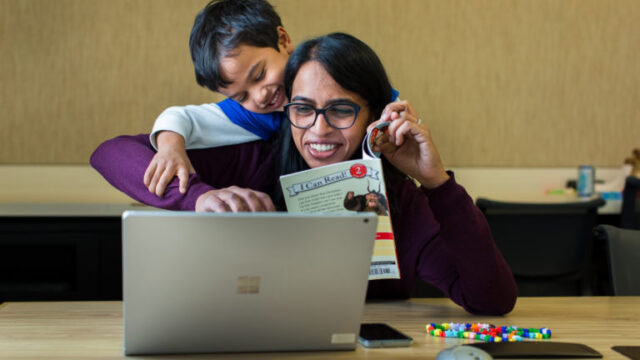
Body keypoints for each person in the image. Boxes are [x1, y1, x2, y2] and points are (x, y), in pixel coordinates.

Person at [92, 32, 517, 315]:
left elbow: (492, 299)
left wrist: (437, 183)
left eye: (341, 109)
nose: (318, 130)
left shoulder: (402, 201)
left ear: (375, 115)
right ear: (287, 107)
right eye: (303, 109)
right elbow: (111, 153)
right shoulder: (256, 159)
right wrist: (197, 195)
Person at [144, 0, 399, 197]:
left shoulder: (333, 73)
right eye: (241, 96)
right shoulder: (251, 113)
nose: (260, 96)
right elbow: (180, 117)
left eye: (260, 75)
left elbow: (392, 113)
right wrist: (170, 148)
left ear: (283, 40)